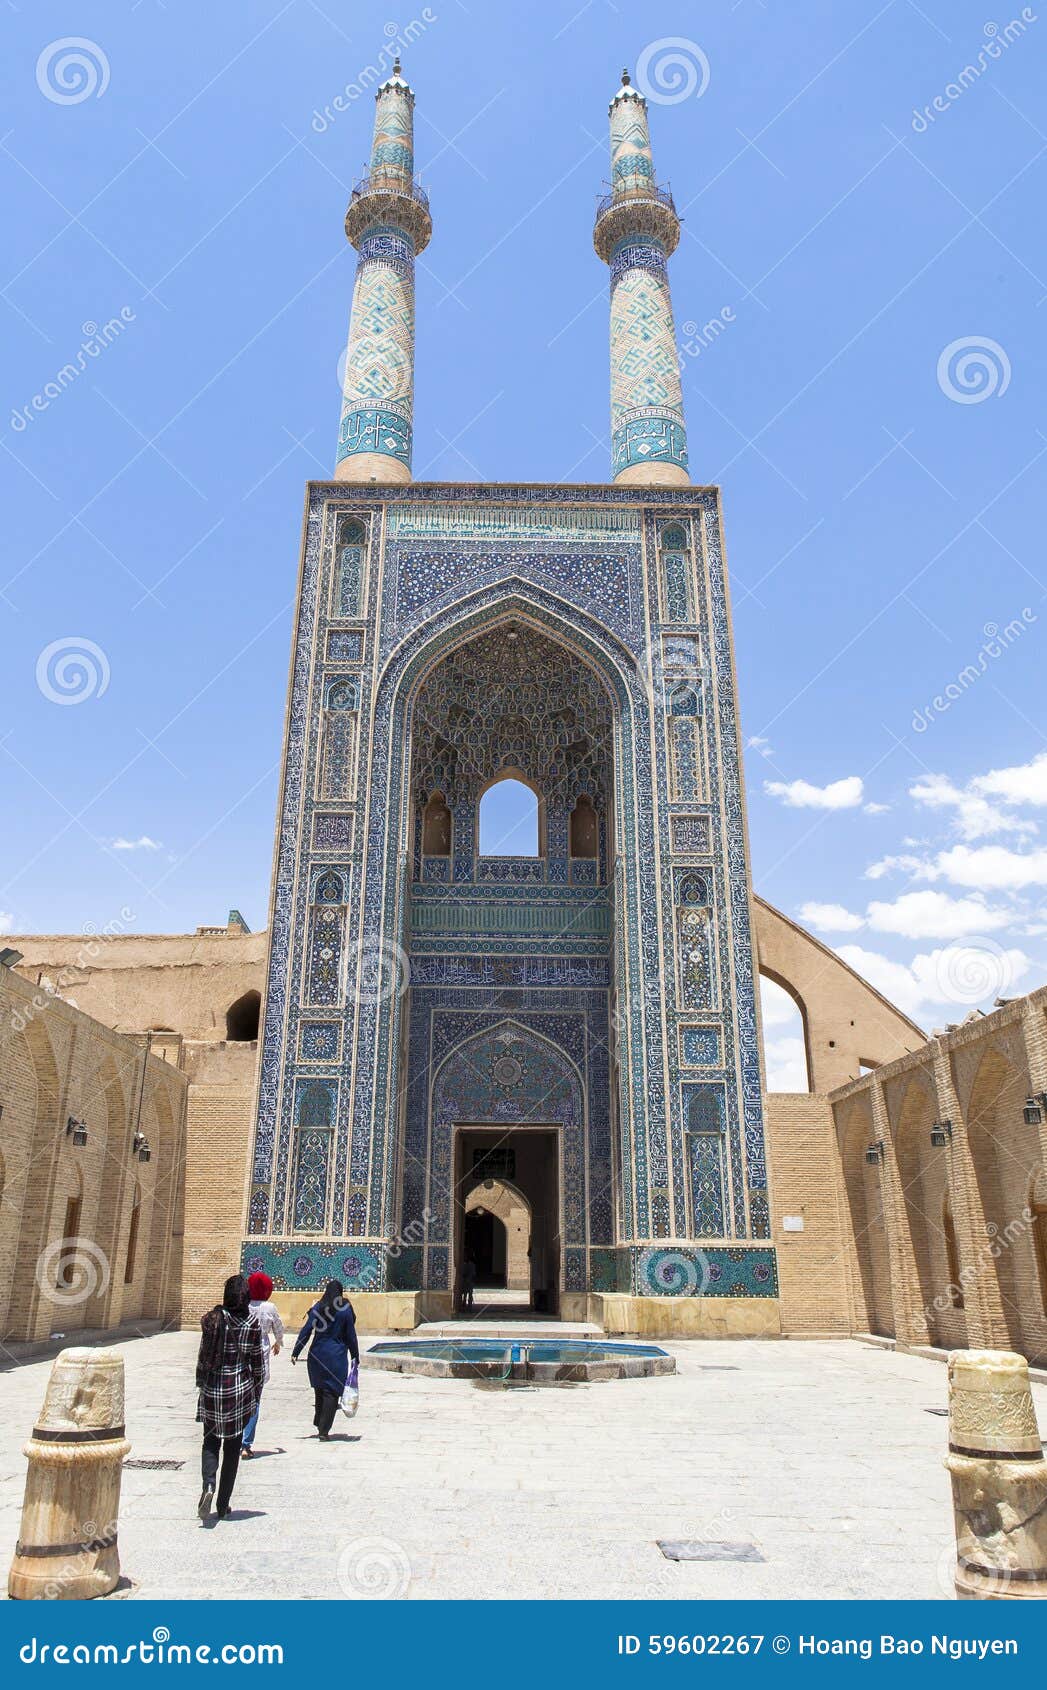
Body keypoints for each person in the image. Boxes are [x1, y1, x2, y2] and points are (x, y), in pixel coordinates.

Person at [195, 1273, 264, 1521]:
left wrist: (201, 1383)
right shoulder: (252, 1323)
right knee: (233, 1448)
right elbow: (257, 1363)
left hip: (213, 1389)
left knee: (210, 1441)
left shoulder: (213, 1320)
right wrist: (256, 1390)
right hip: (239, 1391)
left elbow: (203, 1355)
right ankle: (223, 1505)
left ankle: (208, 1485)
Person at [291, 1279, 359, 1440]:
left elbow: (306, 1330)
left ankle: (319, 1421)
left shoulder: (318, 1308)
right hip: (336, 1357)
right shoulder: (345, 1309)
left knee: (320, 1389)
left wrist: (296, 1351)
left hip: (316, 1355)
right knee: (332, 1393)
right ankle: (323, 1429)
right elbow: (351, 1335)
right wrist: (355, 1355)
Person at [241, 1270, 284, 1459]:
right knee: (255, 1401)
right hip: (260, 1355)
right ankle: (246, 1444)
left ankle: (235, 1439)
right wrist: (278, 1342)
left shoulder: (243, 1305)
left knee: (240, 1399)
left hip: (241, 1356)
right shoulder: (269, 1307)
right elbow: (278, 1327)